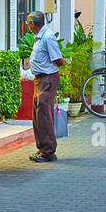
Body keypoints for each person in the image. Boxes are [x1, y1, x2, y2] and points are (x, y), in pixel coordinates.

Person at [26, 11, 64, 162]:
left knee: (44, 114)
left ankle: (48, 152)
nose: (27, 25)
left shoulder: (47, 37)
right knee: (38, 115)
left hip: (47, 79)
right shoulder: (39, 36)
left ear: (33, 24)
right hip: (40, 79)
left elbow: (59, 60)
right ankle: (42, 149)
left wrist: (45, 68)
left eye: (28, 22)